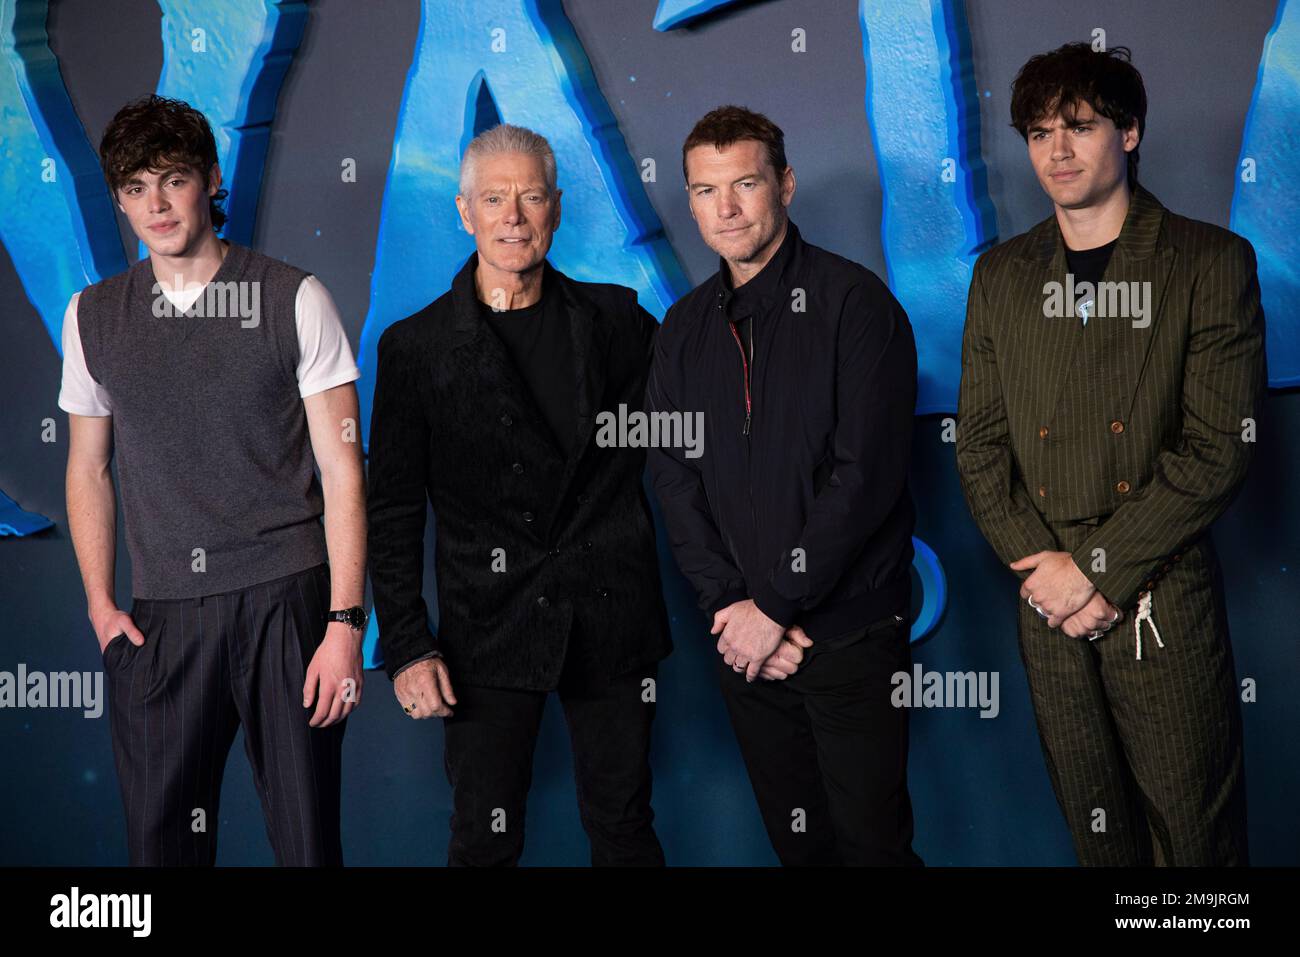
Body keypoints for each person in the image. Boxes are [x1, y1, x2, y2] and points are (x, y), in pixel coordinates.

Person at [955, 43, 1265, 865]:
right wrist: (1047, 571)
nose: (1056, 151)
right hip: (1048, 603)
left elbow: (1216, 450)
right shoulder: (1000, 275)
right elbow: (980, 445)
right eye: (1039, 132)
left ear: (1128, 134)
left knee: (1194, 842)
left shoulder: (1208, 261)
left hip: (1156, 594)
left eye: (1079, 127)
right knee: (1099, 840)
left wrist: (1092, 568)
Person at [60, 94, 367, 866]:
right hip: (163, 615)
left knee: (306, 846)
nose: (156, 204)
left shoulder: (295, 298)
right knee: (160, 851)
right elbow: (88, 467)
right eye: (135, 187)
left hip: (288, 604)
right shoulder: (92, 316)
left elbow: (343, 471)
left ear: (211, 179)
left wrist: (344, 624)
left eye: (172, 179)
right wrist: (100, 605)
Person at [367, 123, 672, 866]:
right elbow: (394, 508)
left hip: (611, 616)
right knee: (483, 838)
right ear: (464, 212)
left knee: (625, 827)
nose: (514, 216)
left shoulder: (621, 321)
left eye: (530, 196)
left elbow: (696, 435)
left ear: (557, 208)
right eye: (494, 199)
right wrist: (406, 642)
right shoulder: (415, 348)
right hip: (485, 630)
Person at [647, 105, 922, 866]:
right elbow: (674, 478)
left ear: (786, 184)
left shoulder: (854, 304)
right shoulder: (682, 329)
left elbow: (863, 476)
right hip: (745, 644)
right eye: (704, 191)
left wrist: (775, 605)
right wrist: (734, 608)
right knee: (799, 850)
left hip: (848, 634)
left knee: (873, 850)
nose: (725, 208)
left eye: (744, 184)